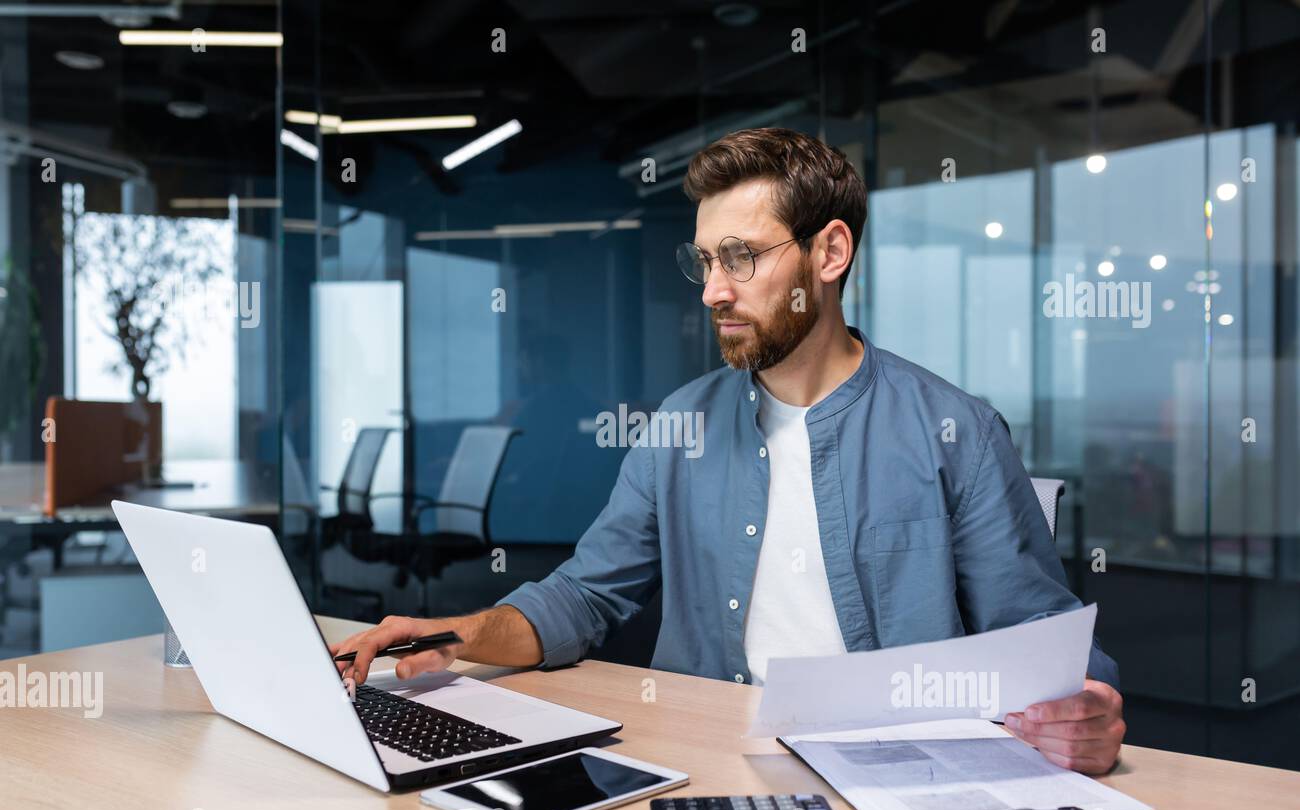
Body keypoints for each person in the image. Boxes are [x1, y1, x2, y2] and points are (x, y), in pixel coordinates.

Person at [331, 127, 1125, 775]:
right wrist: (448, 634)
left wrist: (1085, 704)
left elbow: (1045, 643)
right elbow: (584, 598)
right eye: (706, 261)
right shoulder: (679, 426)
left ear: (830, 253)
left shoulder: (957, 430)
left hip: (899, 772)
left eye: (741, 257)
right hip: (702, 758)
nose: (713, 290)